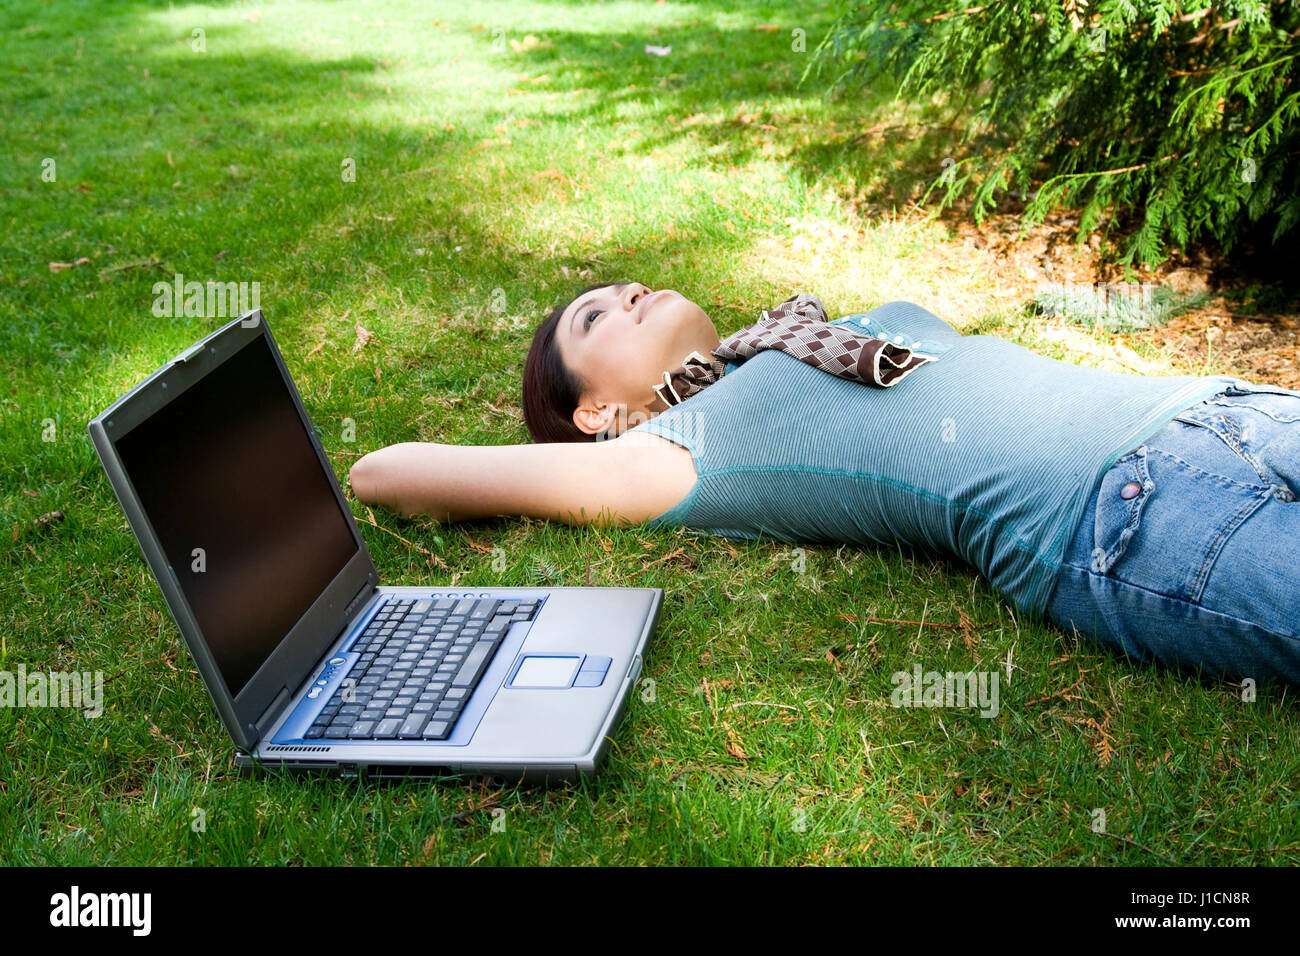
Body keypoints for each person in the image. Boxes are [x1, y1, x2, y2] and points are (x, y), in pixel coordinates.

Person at [349, 282, 1300, 686]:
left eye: (622, 287)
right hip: (1125, 517)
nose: (629, 293)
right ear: (597, 412)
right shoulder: (674, 451)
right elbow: (383, 474)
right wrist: (576, 461)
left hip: (1213, 407)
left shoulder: (778, 339)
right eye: (597, 317)